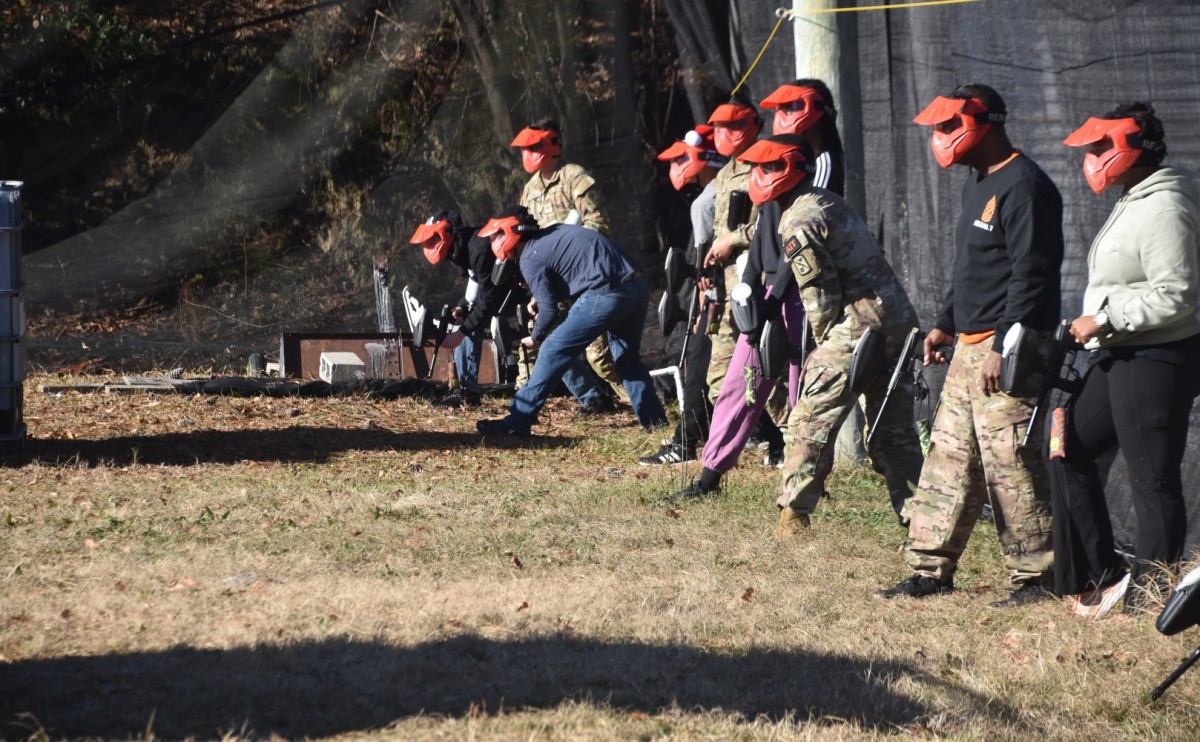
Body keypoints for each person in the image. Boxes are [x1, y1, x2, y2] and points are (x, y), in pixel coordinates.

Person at [879, 84, 1062, 606]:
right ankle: (929, 571)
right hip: (969, 346)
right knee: (949, 461)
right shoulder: (978, 183)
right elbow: (973, 273)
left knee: (1012, 464)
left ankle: (1038, 578)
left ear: (985, 122)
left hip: (1010, 349)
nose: (939, 139)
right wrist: (944, 322)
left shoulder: (1025, 186)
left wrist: (1005, 346)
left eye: (947, 127)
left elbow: (1032, 277)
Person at [1053, 102, 1200, 618]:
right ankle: (1101, 578)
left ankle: (1152, 602)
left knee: (1152, 479)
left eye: (1100, 147)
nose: (1091, 159)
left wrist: (1105, 316)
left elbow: (1177, 294)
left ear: (1137, 148)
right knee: (1067, 445)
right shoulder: (1135, 196)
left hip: (1157, 357)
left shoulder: (1165, 206)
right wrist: (1101, 320)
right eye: (1090, 149)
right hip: (1120, 351)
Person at [475, 206, 668, 436]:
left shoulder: (529, 257)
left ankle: (517, 422)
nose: (494, 242)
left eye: (497, 236)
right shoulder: (551, 234)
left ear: (510, 233)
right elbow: (572, 269)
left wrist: (535, 337)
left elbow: (548, 313)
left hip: (606, 292)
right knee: (627, 360)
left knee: (551, 349)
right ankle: (655, 424)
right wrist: (541, 296)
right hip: (636, 286)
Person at [416, 210, 609, 411]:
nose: (429, 245)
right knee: (470, 324)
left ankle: (594, 399)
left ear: (447, 233)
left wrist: (462, 332)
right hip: (512, 295)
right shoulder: (462, 250)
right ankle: (465, 393)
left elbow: (489, 297)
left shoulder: (477, 248)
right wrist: (463, 306)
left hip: (530, 293)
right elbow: (479, 284)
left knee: (551, 344)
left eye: (432, 239)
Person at [512, 119, 620, 405]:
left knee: (600, 355)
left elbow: (599, 224)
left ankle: (641, 403)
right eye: (524, 148)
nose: (528, 154)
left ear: (553, 145)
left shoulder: (575, 178)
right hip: (554, 283)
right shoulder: (530, 189)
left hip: (587, 278)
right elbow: (526, 238)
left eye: (533, 146)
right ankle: (588, 399)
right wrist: (537, 287)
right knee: (545, 340)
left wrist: (571, 248)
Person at [638, 125, 724, 464]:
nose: (675, 168)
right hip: (738, 293)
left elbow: (707, 260)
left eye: (680, 159)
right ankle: (770, 439)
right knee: (722, 370)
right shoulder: (720, 190)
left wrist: (706, 294)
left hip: (720, 298)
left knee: (701, 366)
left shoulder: (706, 201)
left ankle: (687, 442)